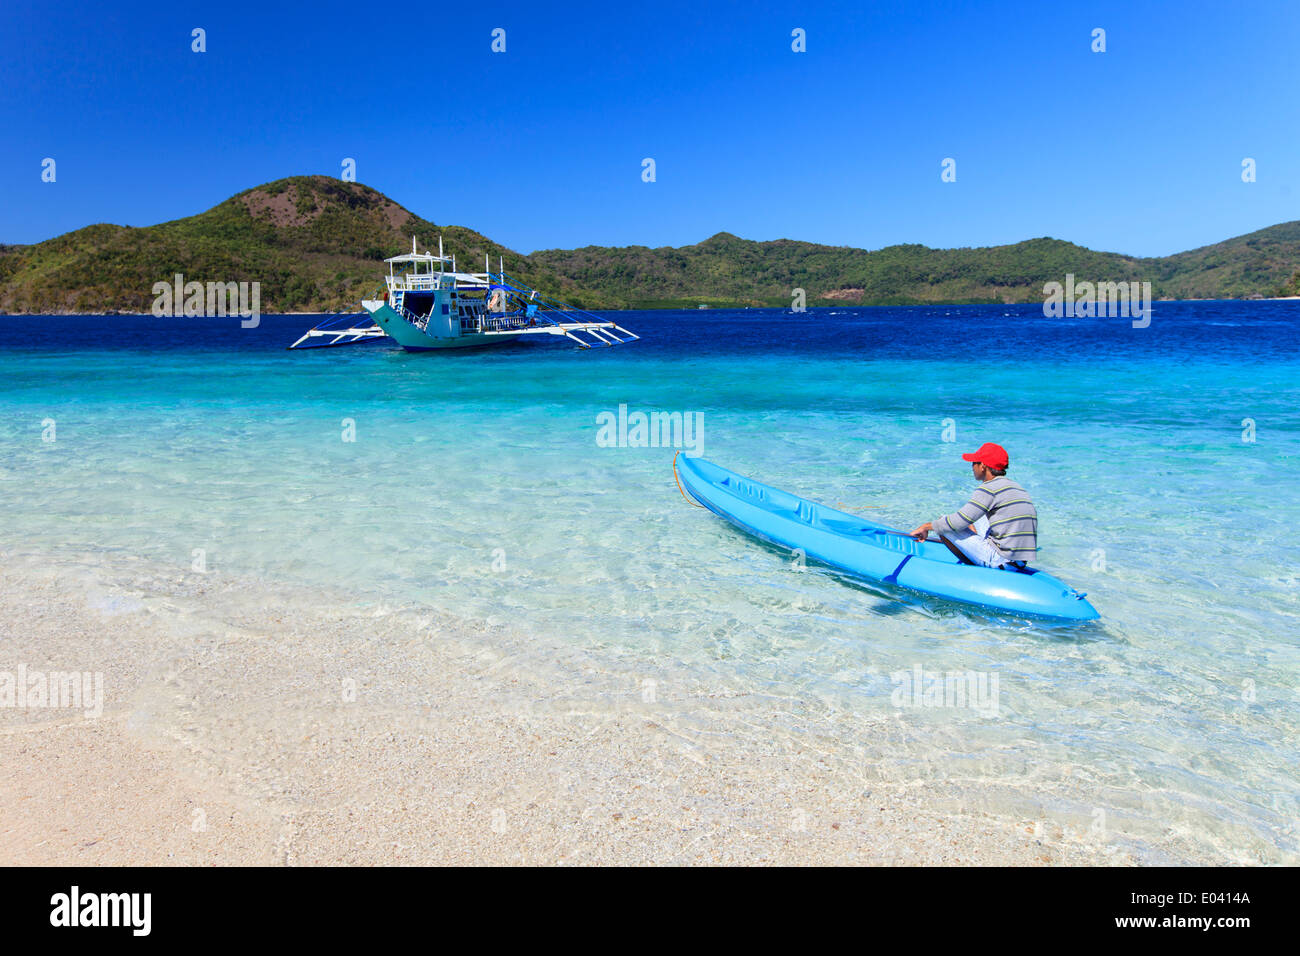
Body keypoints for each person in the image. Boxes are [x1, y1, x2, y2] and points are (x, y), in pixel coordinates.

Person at [911, 442, 1037, 569]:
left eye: (974, 463)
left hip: (1000, 560)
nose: (972, 467)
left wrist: (926, 527)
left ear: (982, 466)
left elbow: (956, 523)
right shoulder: (1018, 488)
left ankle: (975, 570)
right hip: (1020, 561)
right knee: (976, 517)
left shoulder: (989, 488)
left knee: (942, 524)